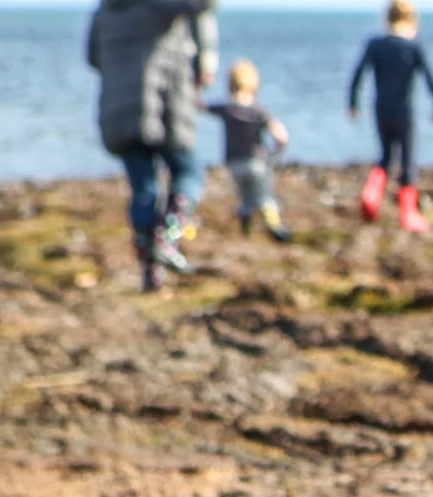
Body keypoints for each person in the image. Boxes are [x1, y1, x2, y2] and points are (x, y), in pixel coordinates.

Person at [86, 0, 218, 290]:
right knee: (189, 171)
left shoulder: (105, 11)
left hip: (118, 112)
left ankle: (151, 272)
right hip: (163, 106)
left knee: (143, 188)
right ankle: (168, 238)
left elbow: (93, 57)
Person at [346, 0, 433, 234]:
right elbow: (431, 79)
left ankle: (371, 194)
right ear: (412, 20)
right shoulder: (414, 47)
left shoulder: (375, 45)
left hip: (380, 108)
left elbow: (357, 75)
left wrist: (352, 103)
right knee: (407, 159)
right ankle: (408, 214)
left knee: (385, 156)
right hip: (405, 110)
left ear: (387, 19)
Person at [208, 60, 291, 241]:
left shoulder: (226, 108)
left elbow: (198, 105)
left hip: (234, 164)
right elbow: (282, 136)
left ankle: (245, 231)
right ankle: (276, 228)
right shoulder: (259, 111)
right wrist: (274, 156)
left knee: (245, 198)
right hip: (257, 162)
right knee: (264, 196)